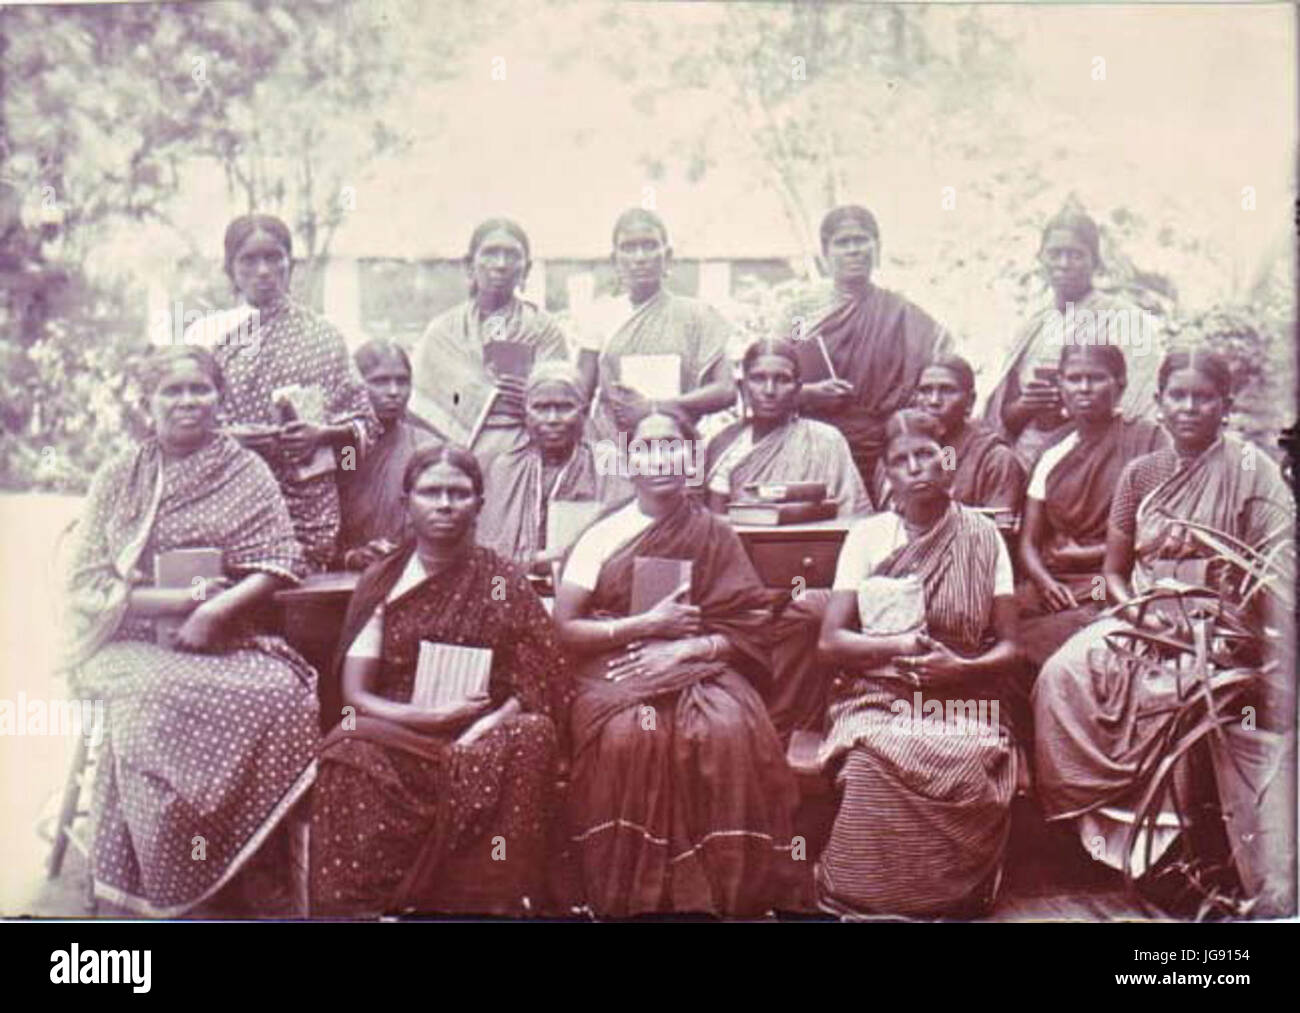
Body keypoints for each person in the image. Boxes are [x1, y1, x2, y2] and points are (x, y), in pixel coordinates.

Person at [60, 346, 319, 917]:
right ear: (147, 404)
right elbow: (83, 586)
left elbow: (280, 561)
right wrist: (176, 602)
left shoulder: (247, 469)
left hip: (223, 637)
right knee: (154, 703)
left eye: (199, 389)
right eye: (171, 391)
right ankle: (173, 872)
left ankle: (249, 861)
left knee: (282, 693)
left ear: (218, 398)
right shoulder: (120, 477)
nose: (186, 402)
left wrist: (214, 611)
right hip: (127, 642)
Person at [1033, 350, 1294, 878]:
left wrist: (1222, 620)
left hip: (1218, 624)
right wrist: (1138, 613)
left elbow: (1273, 570)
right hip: (1142, 613)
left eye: (1203, 398)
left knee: (1177, 692)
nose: (1190, 408)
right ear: (1159, 402)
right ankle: (1095, 832)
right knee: (1062, 674)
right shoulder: (1141, 473)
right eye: (1178, 396)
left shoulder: (1252, 469)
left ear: (1225, 405)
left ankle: (1175, 853)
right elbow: (1113, 569)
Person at [554, 408, 801, 917]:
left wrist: (695, 647)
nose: (662, 458)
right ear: (628, 460)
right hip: (614, 662)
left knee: (725, 729)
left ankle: (722, 891)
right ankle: (631, 893)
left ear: (692, 459)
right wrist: (642, 628)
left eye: (674, 447)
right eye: (648, 447)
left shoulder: (714, 531)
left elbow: (751, 621)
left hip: (699, 660)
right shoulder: (604, 534)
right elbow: (566, 629)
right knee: (630, 738)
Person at [310, 444, 573, 916]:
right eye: (431, 492)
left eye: (459, 493)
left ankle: (483, 901)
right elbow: (355, 694)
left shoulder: (502, 580)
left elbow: (538, 678)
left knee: (534, 736)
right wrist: (425, 717)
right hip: (399, 731)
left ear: (479, 503)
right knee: (347, 746)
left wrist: (476, 730)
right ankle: (361, 907)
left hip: (483, 734)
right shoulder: (383, 580)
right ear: (407, 502)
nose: (446, 504)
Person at [815, 409, 1020, 918]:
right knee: (869, 761)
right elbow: (831, 641)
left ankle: (952, 896)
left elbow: (1012, 647)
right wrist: (899, 647)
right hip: (877, 692)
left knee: (972, 763)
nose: (917, 468)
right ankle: (862, 892)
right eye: (902, 460)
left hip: (966, 695)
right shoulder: (868, 537)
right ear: (887, 473)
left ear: (947, 460)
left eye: (926, 454)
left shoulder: (983, 536)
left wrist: (961, 670)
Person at [191, 214, 379, 573]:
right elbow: (186, 423)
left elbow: (364, 423)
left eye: (274, 257)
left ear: (289, 263)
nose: (263, 270)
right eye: (248, 260)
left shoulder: (322, 335)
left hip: (309, 503)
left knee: (301, 597)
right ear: (229, 268)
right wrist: (236, 439)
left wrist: (322, 434)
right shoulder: (207, 336)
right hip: (231, 493)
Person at [775, 205, 951, 503]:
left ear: (877, 247)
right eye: (843, 243)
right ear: (825, 253)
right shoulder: (801, 315)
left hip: (889, 447)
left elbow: (942, 374)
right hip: (819, 445)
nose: (854, 250)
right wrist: (808, 393)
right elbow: (773, 377)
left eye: (862, 240)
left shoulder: (904, 314)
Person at [1017, 343, 1168, 667]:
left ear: (1121, 385)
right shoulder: (1053, 448)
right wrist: (1044, 582)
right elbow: (1028, 541)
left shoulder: (1149, 441)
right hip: (1054, 580)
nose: (1084, 388)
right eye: (1074, 378)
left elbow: (1158, 533)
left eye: (1096, 378)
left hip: (1110, 580)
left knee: (1049, 639)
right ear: (1060, 384)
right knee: (994, 622)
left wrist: (1085, 554)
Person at [983, 208, 1161, 471]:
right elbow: (1003, 418)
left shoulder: (1127, 321)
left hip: (1099, 463)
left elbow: (1137, 408)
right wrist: (1028, 404)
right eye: (1055, 254)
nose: (1064, 264)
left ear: (1095, 262)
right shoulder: (1032, 324)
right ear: (1041, 258)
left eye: (1076, 255)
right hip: (1026, 462)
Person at [410, 218, 569, 470]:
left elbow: (562, 404)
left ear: (526, 269)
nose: (501, 264)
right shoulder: (442, 332)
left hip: (525, 456)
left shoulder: (544, 329)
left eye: (511, 255)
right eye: (491, 253)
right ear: (469, 265)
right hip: (454, 460)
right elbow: (422, 409)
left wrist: (532, 401)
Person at [578, 208, 736, 439]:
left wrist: (655, 407)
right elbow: (580, 396)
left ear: (668, 256)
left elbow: (726, 390)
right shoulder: (599, 316)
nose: (640, 257)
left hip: (678, 442)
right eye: (629, 248)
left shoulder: (697, 315)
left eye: (650, 246)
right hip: (612, 446)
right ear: (615, 260)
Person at [477, 361, 632, 572]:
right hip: (510, 587)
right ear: (526, 413)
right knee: (494, 592)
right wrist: (501, 595)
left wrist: (560, 560)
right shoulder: (505, 467)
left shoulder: (607, 462)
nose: (552, 419)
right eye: (541, 408)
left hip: (584, 587)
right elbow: (491, 553)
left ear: (583, 412)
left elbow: (622, 541)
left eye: (564, 407)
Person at [703, 337, 871, 517]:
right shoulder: (724, 446)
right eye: (758, 379)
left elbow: (852, 515)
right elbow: (717, 527)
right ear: (743, 386)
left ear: (797, 388)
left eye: (782, 380)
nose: (769, 390)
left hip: (819, 543)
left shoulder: (826, 441)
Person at [336, 340, 442, 570]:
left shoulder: (426, 447)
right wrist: (352, 556)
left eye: (402, 381)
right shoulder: (347, 450)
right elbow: (340, 510)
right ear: (356, 385)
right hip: (347, 578)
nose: (394, 392)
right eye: (380, 381)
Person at [905, 353, 1026, 521]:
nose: (934, 401)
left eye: (947, 391)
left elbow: (998, 534)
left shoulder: (996, 459)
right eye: (925, 391)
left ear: (970, 401)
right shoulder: (901, 454)